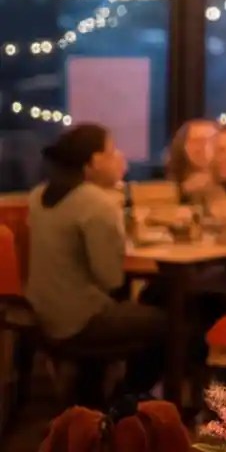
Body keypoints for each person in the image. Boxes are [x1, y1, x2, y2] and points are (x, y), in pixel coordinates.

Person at [26, 124, 166, 404]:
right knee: (166, 323)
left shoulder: (39, 194)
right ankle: (128, 396)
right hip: (76, 323)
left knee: (120, 310)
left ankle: (91, 396)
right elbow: (110, 278)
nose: (120, 158)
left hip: (39, 315)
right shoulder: (96, 203)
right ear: (93, 161)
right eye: (112, 151)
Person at [165, 118, 219, 204]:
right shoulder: (173, 181)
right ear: (183, 146)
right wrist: (182, 190)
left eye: (212, 140)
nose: (205, 147)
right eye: (196, 141)